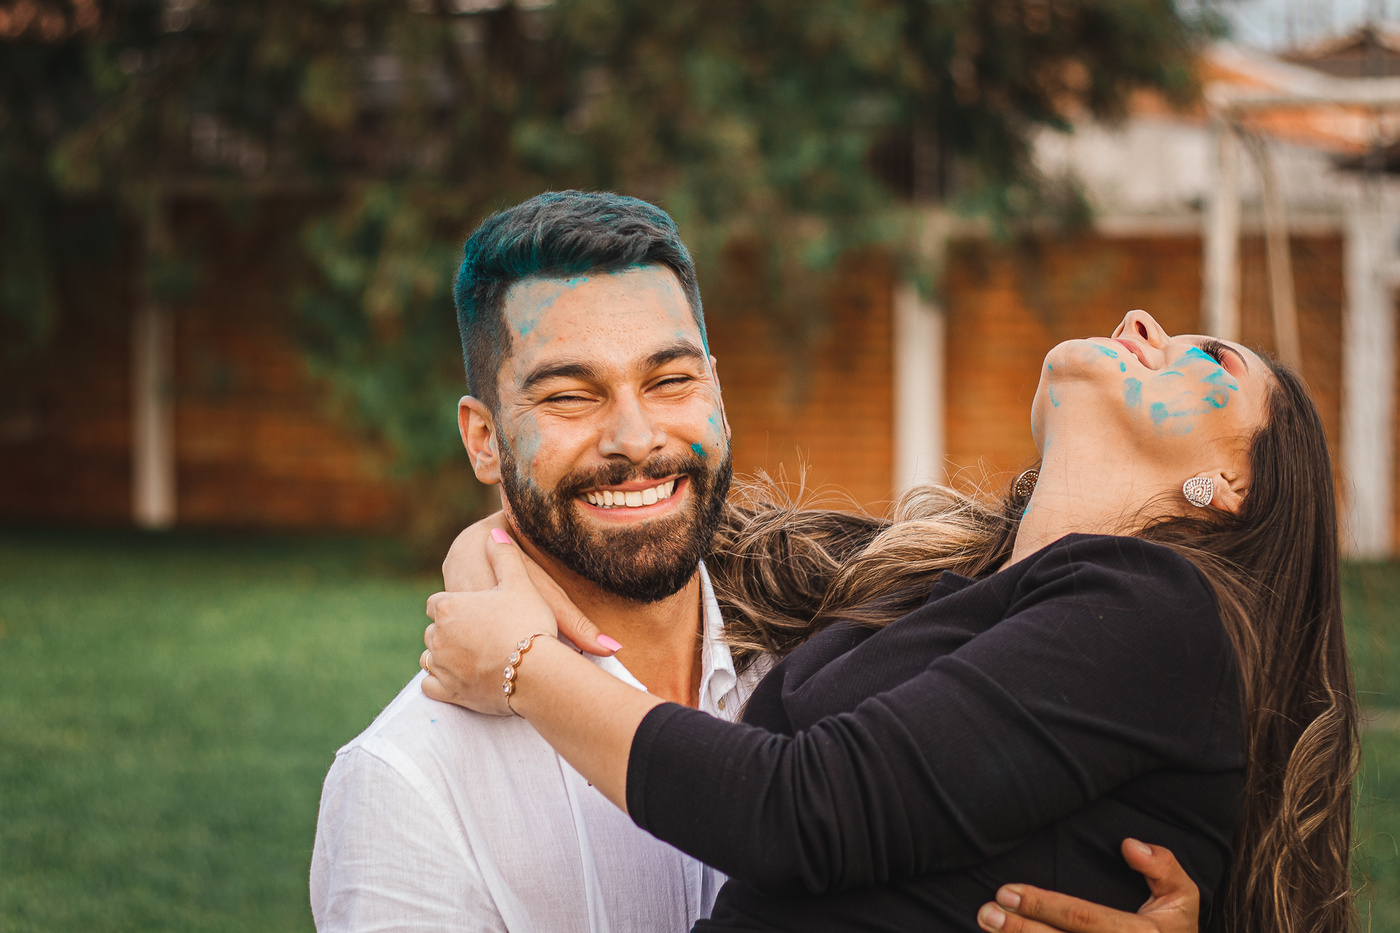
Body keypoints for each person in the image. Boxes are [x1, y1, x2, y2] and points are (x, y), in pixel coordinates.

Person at [312, 189, 1199, 933]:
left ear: (719, 395)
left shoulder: (857, 641)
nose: (636, 437)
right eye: (571, 396)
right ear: (482, 438)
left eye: (670, 381)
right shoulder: (407, 786)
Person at [421, 307, 1360, 933]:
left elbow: (799, 811)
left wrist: (521, 663)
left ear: (1233, 486)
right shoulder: (929, 576)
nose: (1144, 322)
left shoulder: (1160, 613)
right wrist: (486, 568)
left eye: (1212, 361)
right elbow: (607, 517)